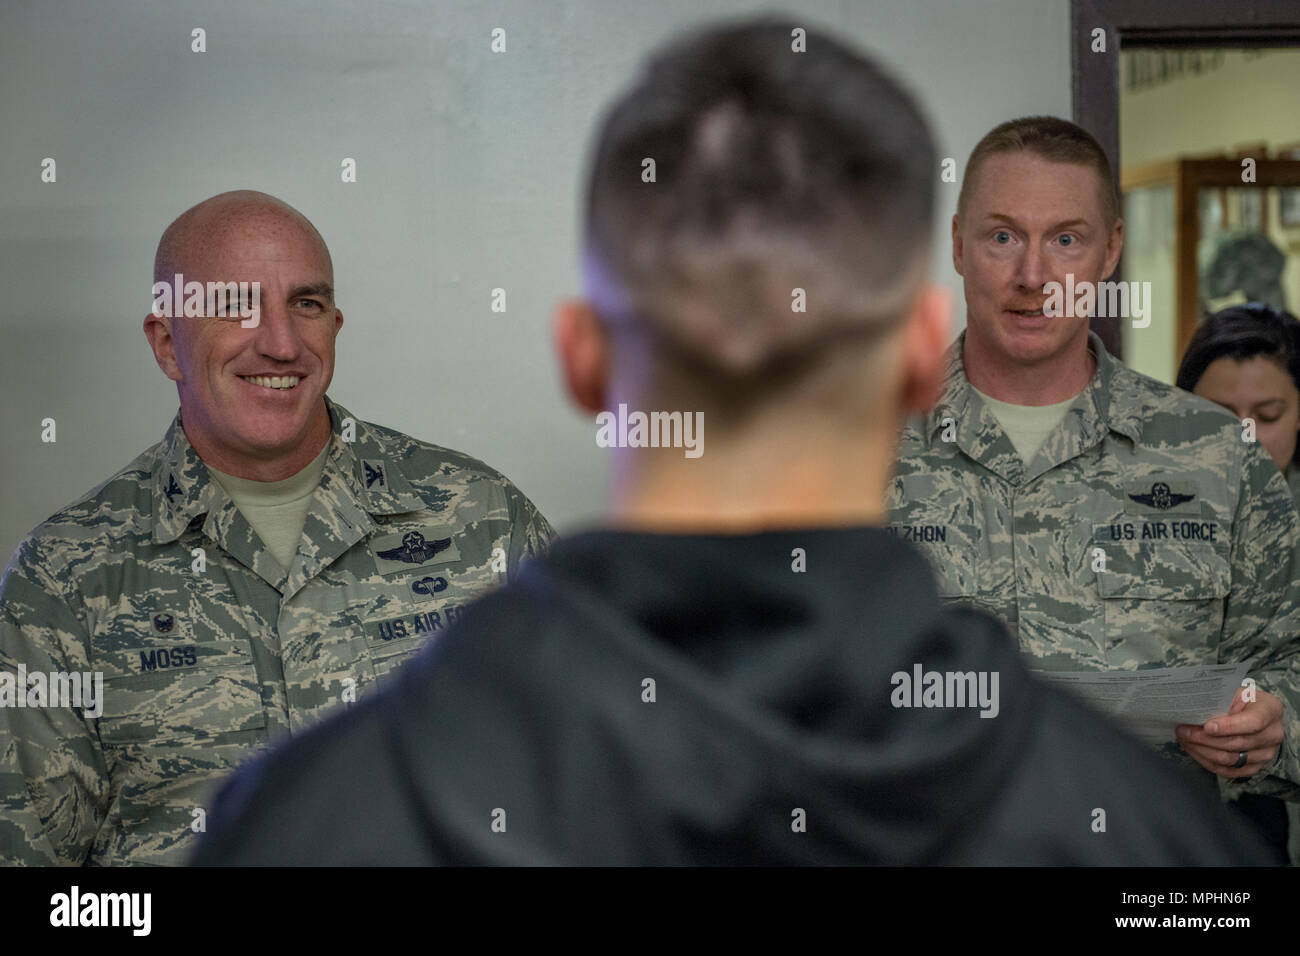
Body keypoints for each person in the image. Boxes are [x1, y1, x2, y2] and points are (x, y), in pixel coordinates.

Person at [190, 18, 1266, 866]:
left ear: (582, 357)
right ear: (915, 356)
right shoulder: (1144, 842)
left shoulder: (306, 819)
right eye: (1003, 236)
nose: (1033, 268)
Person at [0, 190, 554, 866]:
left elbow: (592, 789)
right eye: (236, 305)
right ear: (167, 343)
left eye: (306, 304)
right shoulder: (64, 578)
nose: (281, 342)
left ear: (334, 325)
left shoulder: (483, 520)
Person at [886, 117, 1300, 840]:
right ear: (957, 244)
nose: (1034, 277)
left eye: (1067, 240)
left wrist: (1273, 724)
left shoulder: (1218, 455)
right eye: (1003, 237)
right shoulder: (853, 451)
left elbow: (1287, 661)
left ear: (1110, 251)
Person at [1177, 301, 1300, 864]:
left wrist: (1284, 729)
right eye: (1219, 415)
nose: (1244, 438)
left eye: (1267, 415)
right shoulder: (1134, 511)